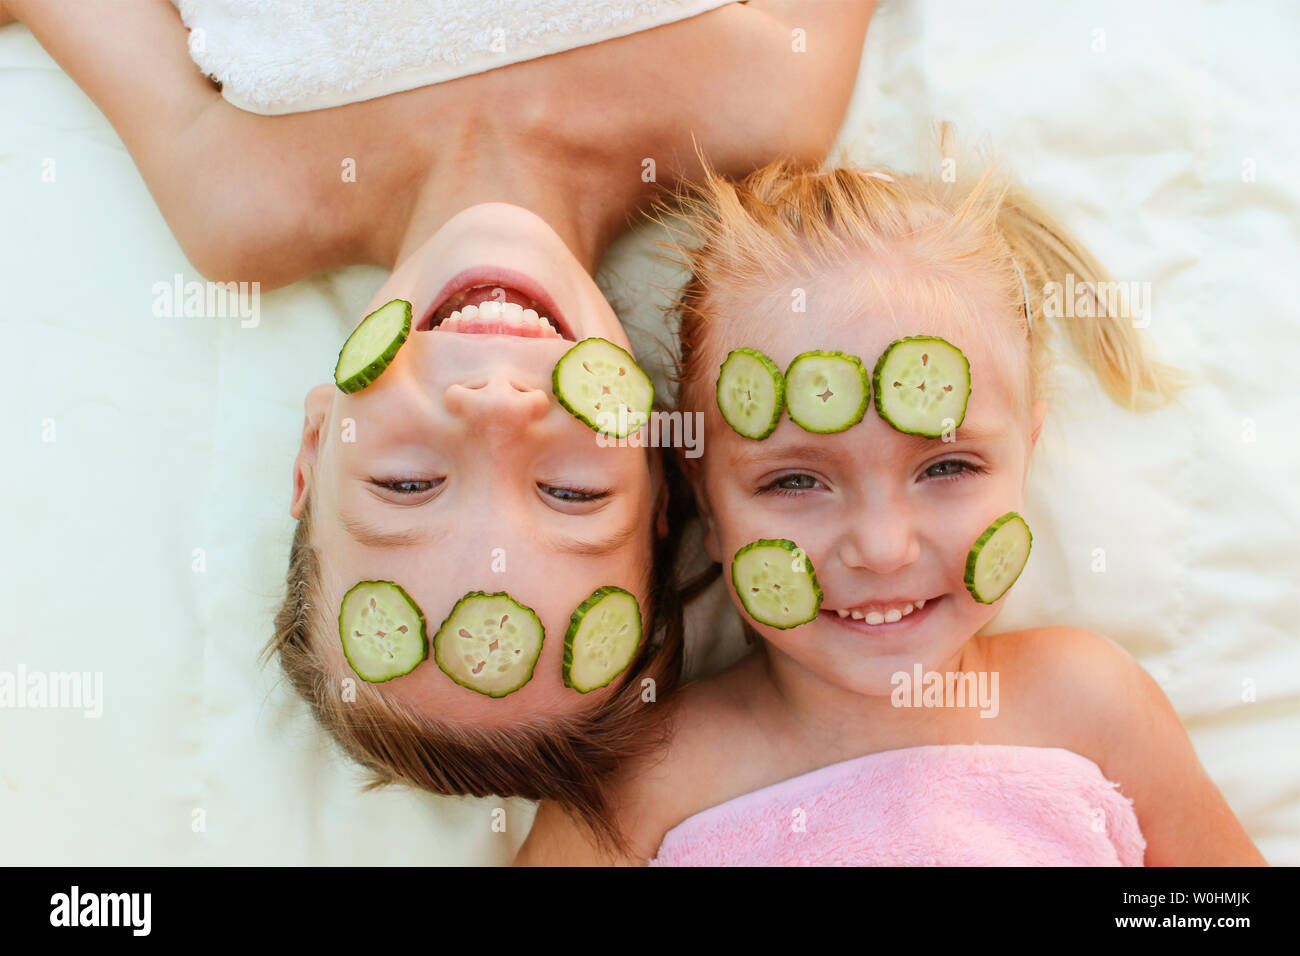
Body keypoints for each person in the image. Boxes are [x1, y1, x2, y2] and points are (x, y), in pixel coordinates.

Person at [5, 0, 877, 848]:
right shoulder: (767, 95)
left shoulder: (240, 198)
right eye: (570, 492)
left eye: (409, 483)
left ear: (314, 448)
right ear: (658, 465)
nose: (498, 409)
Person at [515, 149, 1269, 864]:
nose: (881, 548)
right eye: (795, 482)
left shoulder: (1092, 703)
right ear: (706, 504)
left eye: (946, 465)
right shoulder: (654, 772)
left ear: (1026, 460)